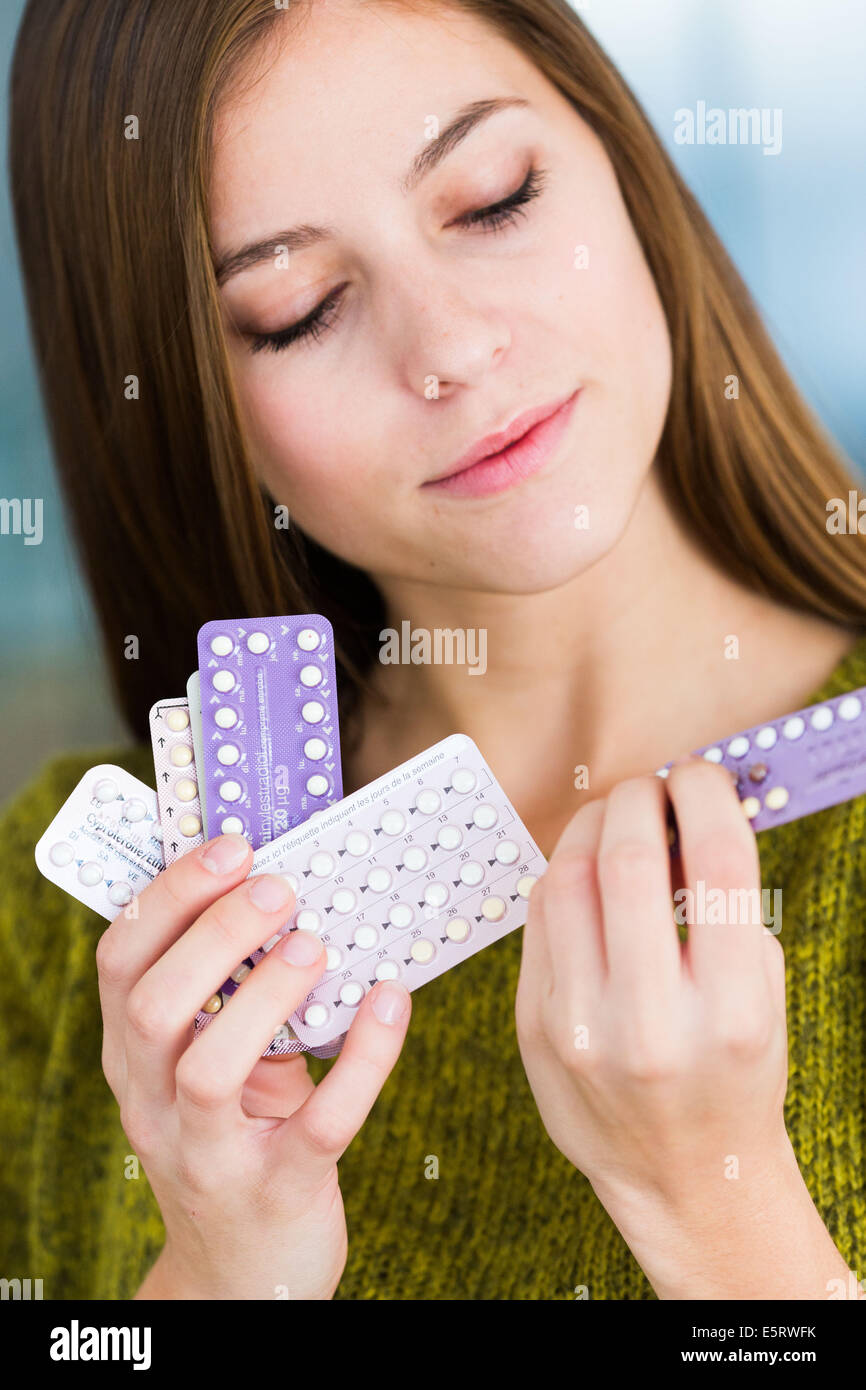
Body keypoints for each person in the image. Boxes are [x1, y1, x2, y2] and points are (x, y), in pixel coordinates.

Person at [4, 0, 865, 1300]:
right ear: (188, 396)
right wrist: (219, 1270)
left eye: (492, 197)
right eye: (295, 311)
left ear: (625, 167)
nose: (453, 349)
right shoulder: (67, 935)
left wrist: (710, 1211)